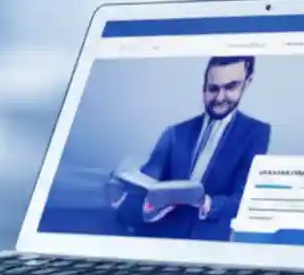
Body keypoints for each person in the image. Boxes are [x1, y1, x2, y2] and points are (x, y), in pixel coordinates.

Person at [115, 56, 271, 240]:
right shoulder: (176, 132)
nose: (220, 98)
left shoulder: (256, 133)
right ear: (203, 87)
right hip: (160, 238)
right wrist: (143, 206)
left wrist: (209, 204)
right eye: (213, 89)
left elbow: (244, 197)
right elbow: (145, 184)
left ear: (247, 83)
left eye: (230, 87)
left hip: (208, 244)